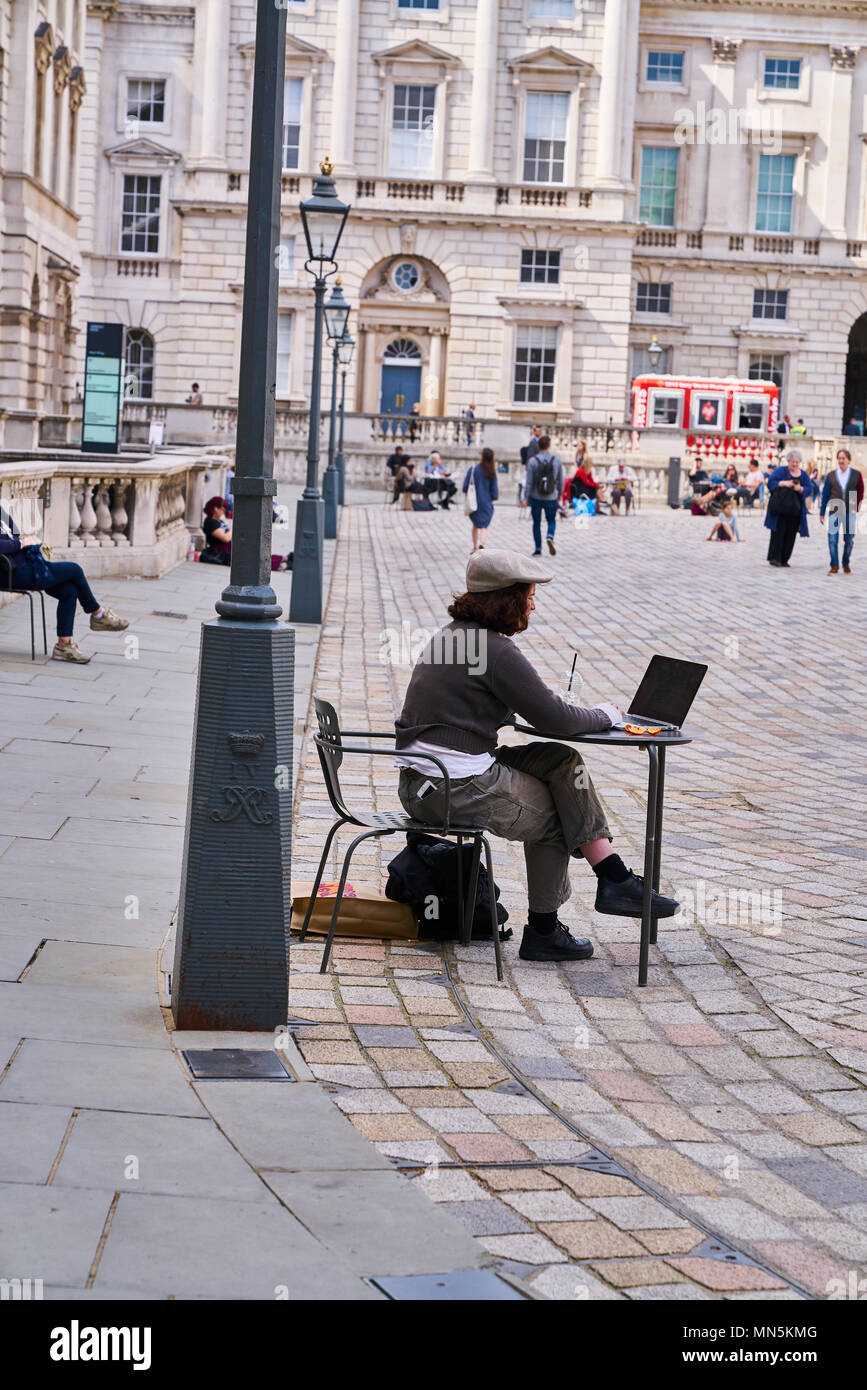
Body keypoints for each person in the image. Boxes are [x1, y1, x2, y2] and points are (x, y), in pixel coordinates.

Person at [394, 550, 679, 963]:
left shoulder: (452, 636)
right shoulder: (494, 649)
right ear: (506, 598)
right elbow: (555, 717)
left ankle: (614, 879)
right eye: (527, 594)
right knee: (559, 817)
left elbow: (481, 702)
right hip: (452, 786)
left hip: (424, 782)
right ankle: (548, 929)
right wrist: (608, 715)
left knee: (560, 762)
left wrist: (542, 704)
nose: (532, 603)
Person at [0, 506, 128, 664]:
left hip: (26, 566)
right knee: (74, 570)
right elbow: (14, 543)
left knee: (69, 590)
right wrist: (20, 544)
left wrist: (22, 541)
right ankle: (98, 614)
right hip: (9, 573)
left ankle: (64, 645)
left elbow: (15, 535)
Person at [200, 496, 291, 569]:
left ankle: (285, 559)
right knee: (255, 560)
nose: (223, 512)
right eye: (222, 510)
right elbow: (225, 538)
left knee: (257, 556)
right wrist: (236, 526)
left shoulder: (218, 521)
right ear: (215, 508)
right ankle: (284, 564)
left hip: (232, 546)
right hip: (224, 549)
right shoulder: (210, 522)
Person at [820, 446, 863, 574]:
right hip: (835, 509)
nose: (841, 460)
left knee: (849, 540)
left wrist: (856, 506)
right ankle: (834, 565)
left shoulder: (856, 474)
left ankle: (845, 563)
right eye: (839, 458)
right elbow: (825, 495)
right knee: (832, 539)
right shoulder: (831, 475)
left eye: (843, 458)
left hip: (850, 510)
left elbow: (860, 491)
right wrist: (822, 513)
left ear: (848, 460)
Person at [765, 449, 810, 567]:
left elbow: (810, 489)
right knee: (778, 533)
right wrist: (783, 483)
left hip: (795, 509)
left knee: (791, 535)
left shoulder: (804, 474)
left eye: (796, 462)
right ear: (788, 461)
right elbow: (770, 483)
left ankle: (784, 559)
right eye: (792, 462)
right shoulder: (780, 471)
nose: (794, 464)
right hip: (780, 508)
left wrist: (800, 489)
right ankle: (775, 558)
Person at [522, 434, 563, 556]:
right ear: (549, 446)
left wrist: (525, 498)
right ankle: (550, 535)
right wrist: (559, 493)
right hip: (551, 496)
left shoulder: (532, 461)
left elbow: (529, 482)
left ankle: (538, 548)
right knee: (551, 520)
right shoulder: (556, 461)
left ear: (538, 446)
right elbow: (560, 480)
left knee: (536, 523)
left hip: (536, 496)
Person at [463, 447, 499, 551]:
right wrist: (492, 499)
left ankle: (474, 546)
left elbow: (466, 486)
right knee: (484, 526)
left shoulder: (473, 469)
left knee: (475, 524)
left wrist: (466, 495)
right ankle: (482, 543)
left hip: (474, 501)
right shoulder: (492, 471)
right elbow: (494, 488)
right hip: (486, 501)